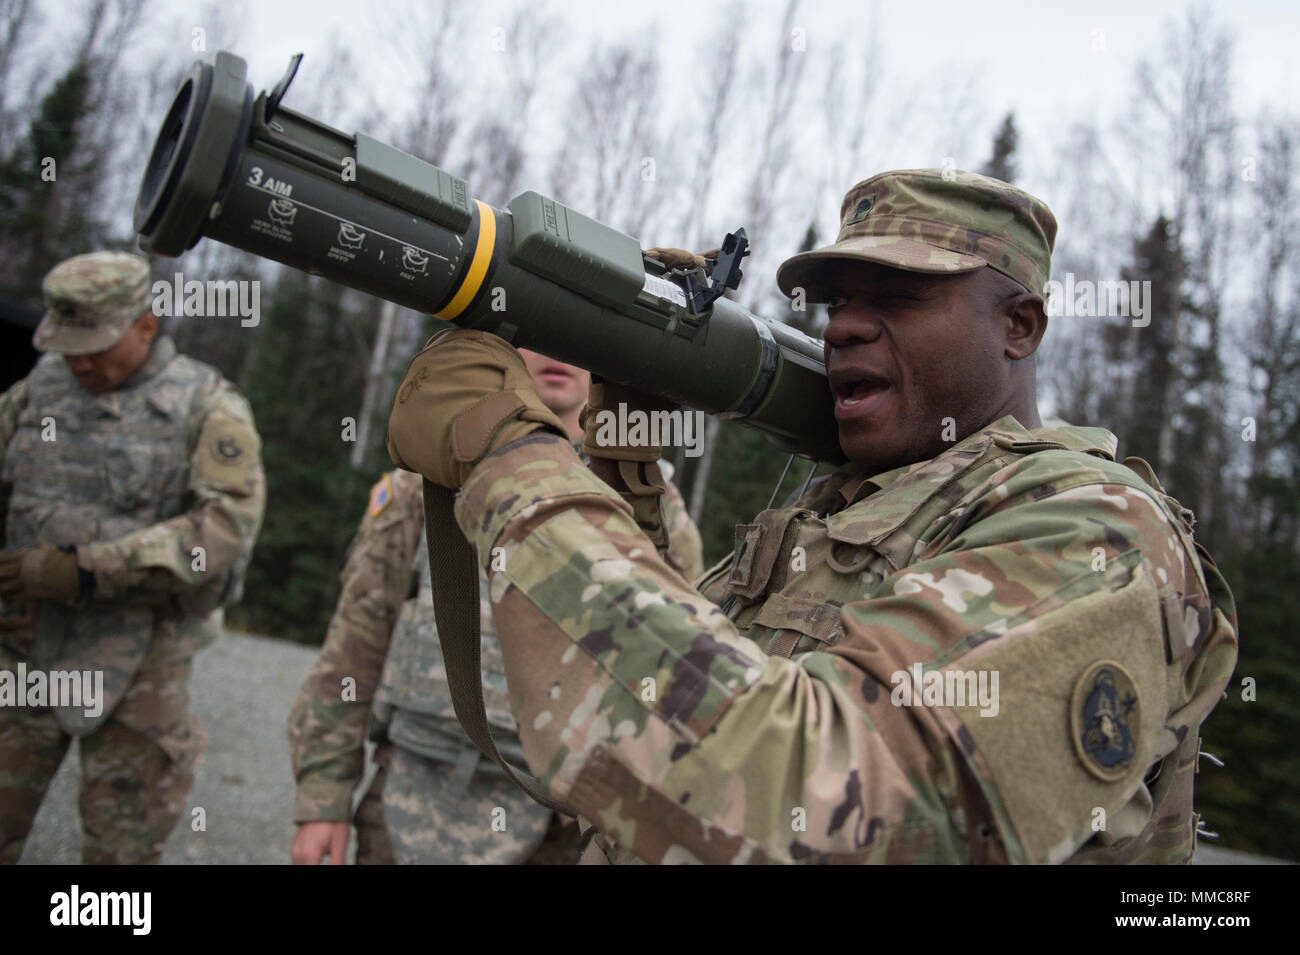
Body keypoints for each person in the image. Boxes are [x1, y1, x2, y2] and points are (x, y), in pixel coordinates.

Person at [385, 169, 1239, 864]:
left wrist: (510, 459)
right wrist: (624, 461)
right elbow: (676, 692)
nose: (844, 328)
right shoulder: (848, 504)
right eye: (835, 300)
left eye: (898, 297)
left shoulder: (1092, 528)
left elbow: (814, 802)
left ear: (1019, 324)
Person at [288, 349, 703, 864]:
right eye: (539, 333)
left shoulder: (650, 505)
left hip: (566, 825)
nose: (558, 352)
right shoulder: (428, 480)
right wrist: (323, 799)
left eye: (579, 340)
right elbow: (356, 641)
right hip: (413, 793)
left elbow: (677, 673)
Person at [0, 251, 265, 864]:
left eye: (96, 343)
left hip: (143, 658)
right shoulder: (36, 391)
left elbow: (225, 530)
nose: (81, 361)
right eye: (69, 344)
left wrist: (87, 567)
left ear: (146, 324)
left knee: (123, 846)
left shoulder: (207, 404)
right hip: (24, 646)